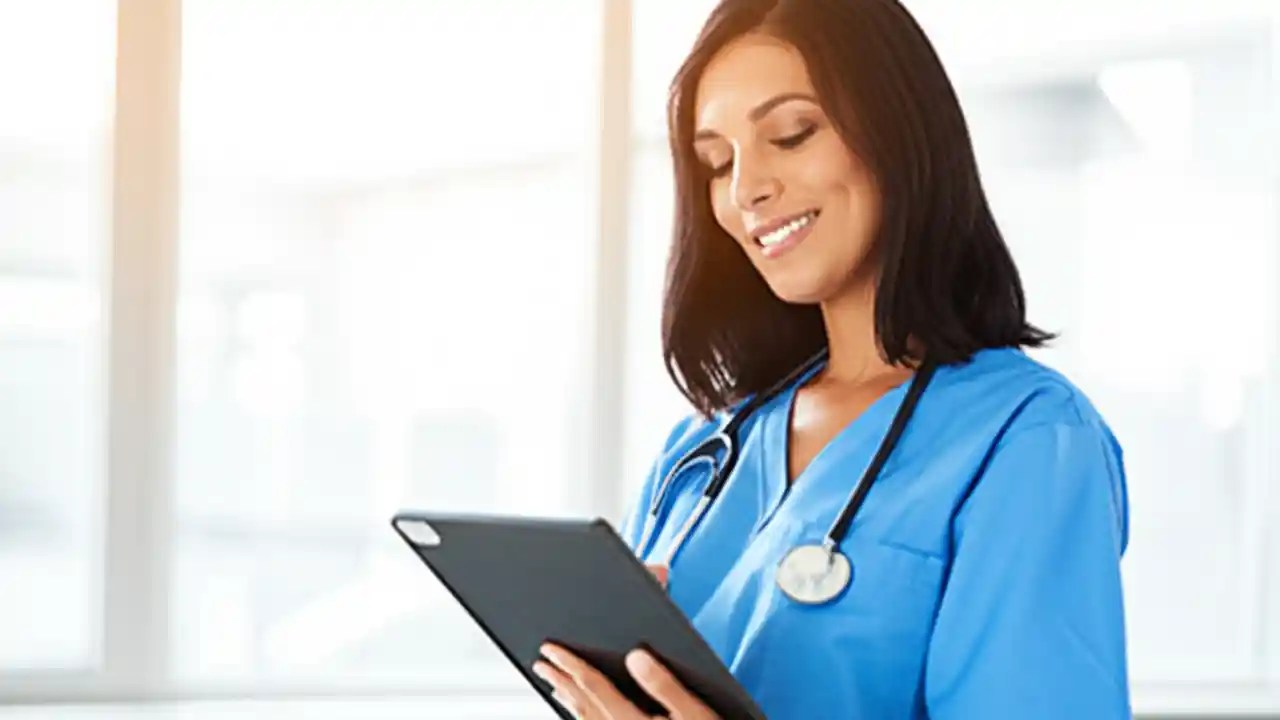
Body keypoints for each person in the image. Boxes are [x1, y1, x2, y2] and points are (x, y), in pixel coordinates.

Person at [531, 0, 1132, 717]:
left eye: (790, 134)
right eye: (718, 163)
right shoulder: (698, 452)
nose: (746, 188)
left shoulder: (1025, 440)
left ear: (898, 131)